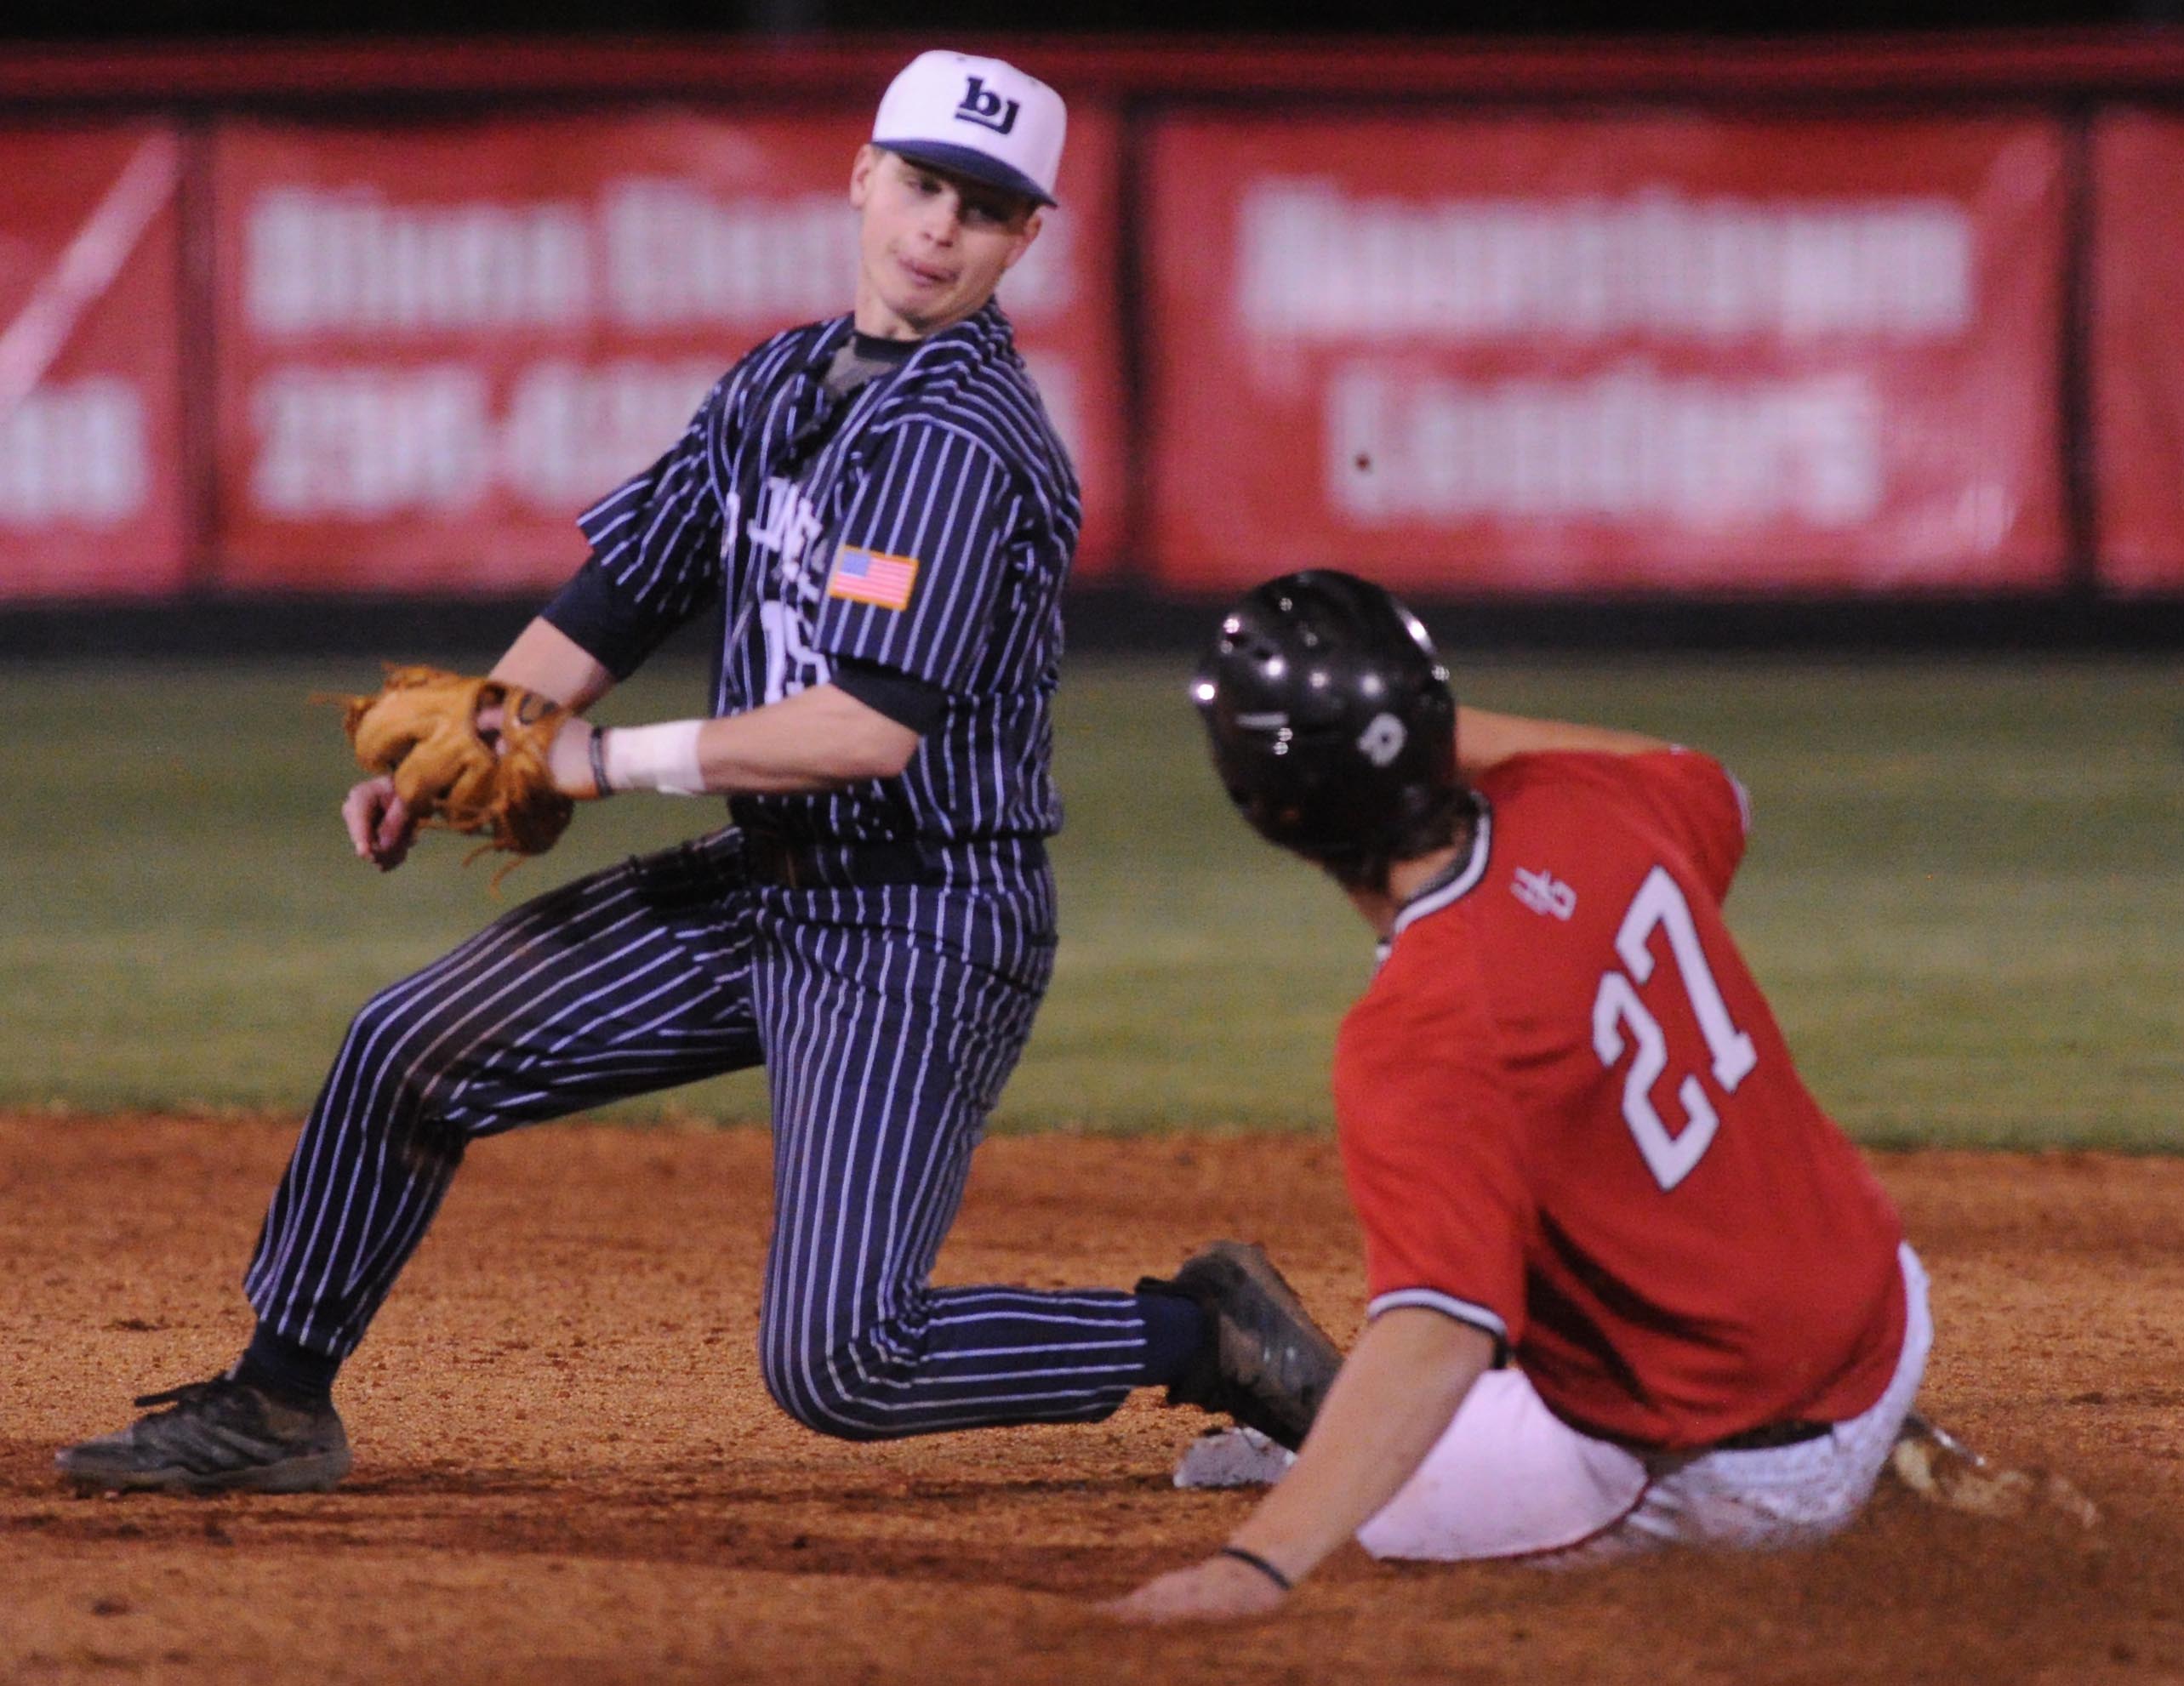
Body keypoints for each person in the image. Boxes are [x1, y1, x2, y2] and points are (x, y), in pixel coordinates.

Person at [57, 49, 1300, 1494]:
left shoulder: (965, 439)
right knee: (407, 1045)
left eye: (981, 206)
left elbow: (865, 728)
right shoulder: (780, 380)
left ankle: (1201, 1337)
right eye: (918, 183)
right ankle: (275, 1403)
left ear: (1028, 238)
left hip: (915, 924)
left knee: (843, 1360)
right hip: (758, 887)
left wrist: (590, 760)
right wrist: (487, 739)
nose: (936, 227)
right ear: (861, 175)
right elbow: (626, 584)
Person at [1112, 570, 1930, 1621]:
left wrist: (1255, 1565)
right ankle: (1891, 1449)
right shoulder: (1583, 802)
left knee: (1390, 1509)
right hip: (1883, 1319)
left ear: (1267, 811)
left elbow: (1438, 1331)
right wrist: (1407, 727)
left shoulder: (1423, 1024)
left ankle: (1286, 1378)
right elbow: (1711, 784)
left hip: (1738, 1471)